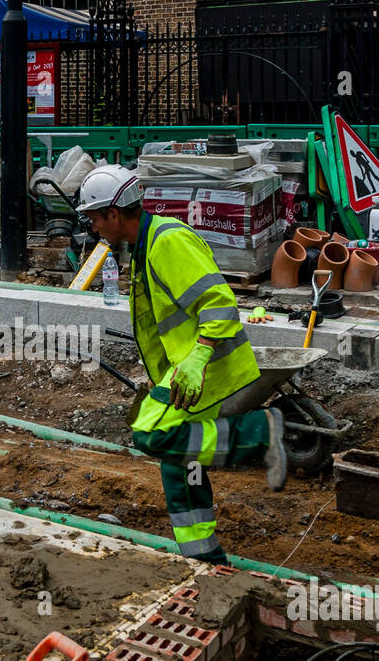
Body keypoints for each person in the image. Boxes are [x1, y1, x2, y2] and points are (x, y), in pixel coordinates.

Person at [76, 165, 287, 566]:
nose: (93, 227)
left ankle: (262, 429)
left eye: (93, 218)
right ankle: (203, 555)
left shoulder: (167, 242)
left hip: (203, 366)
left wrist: (199, 356)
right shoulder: (146, 244)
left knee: (151, 433)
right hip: (185, 368)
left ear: (114, 214)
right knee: (180, 464)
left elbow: (220, 303)